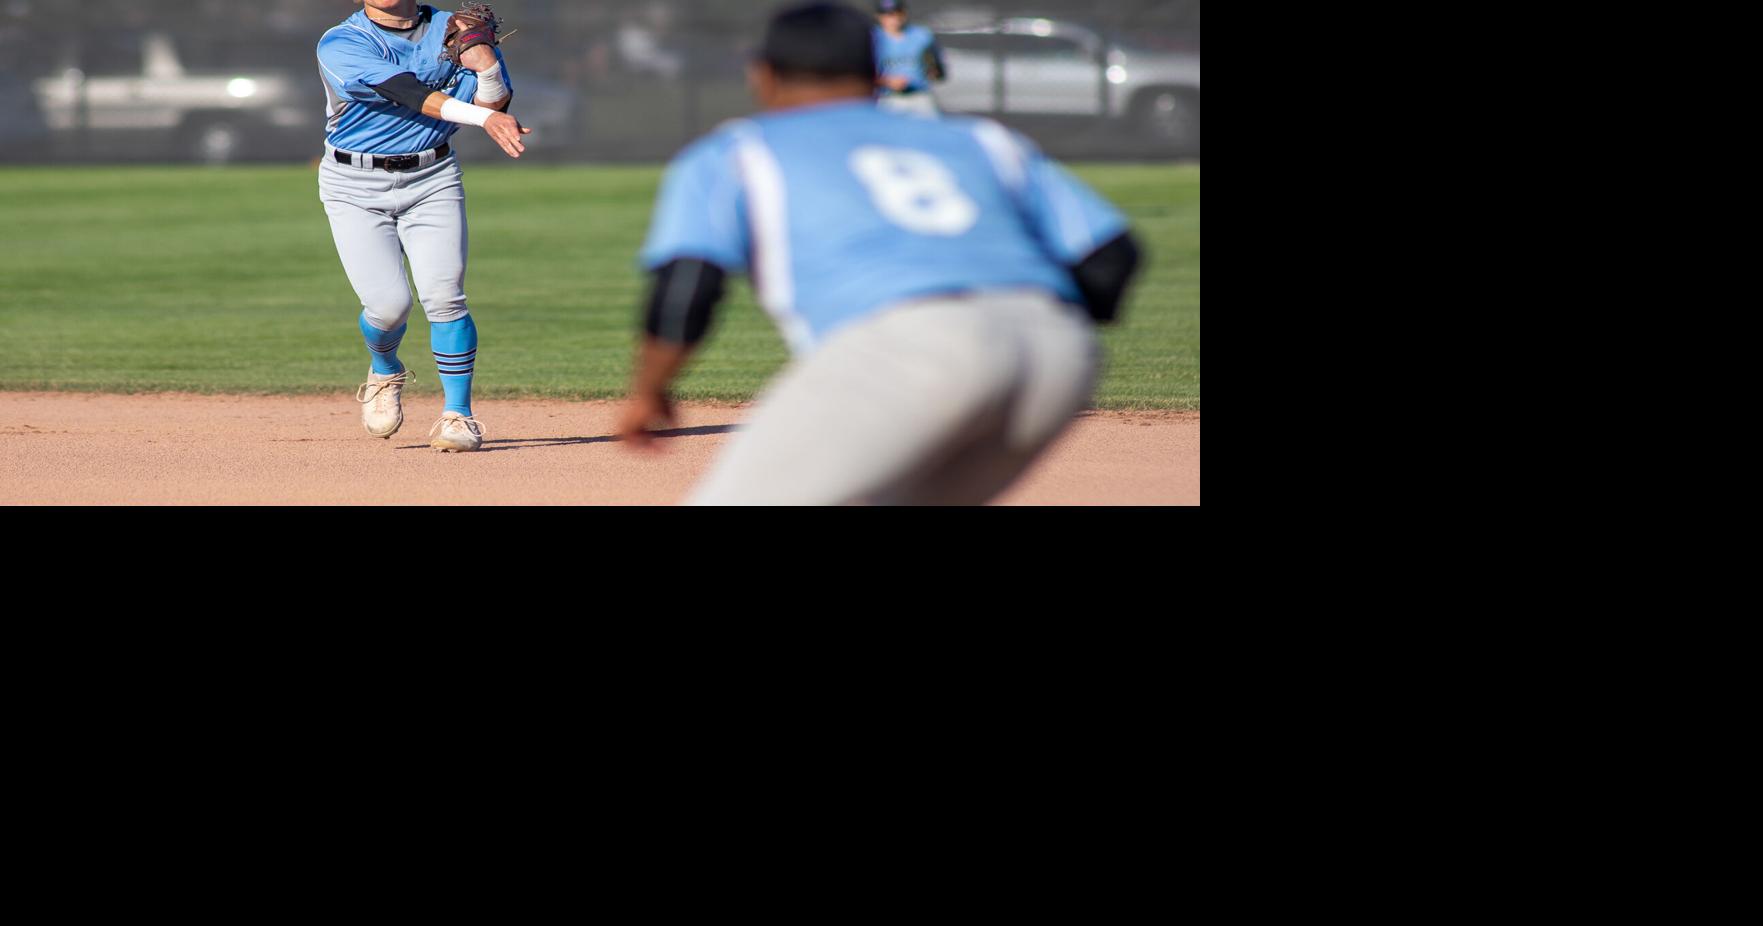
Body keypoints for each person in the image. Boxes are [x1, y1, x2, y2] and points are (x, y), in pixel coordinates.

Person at [617, 2, 1142, 505]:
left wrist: (649, 391)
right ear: (876, 73)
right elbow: (1112, 255)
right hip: (1057, 356)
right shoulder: (982, 140)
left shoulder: (740, 149)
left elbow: (688, 283)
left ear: (763, 75)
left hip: (904, 348)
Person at [317, 1, 531, 452]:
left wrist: (487, 65)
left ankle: (459, 415)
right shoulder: (342, 42)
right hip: (353, 184)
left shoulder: (458, 28)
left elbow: (493, 101)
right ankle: (385, 369)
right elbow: (406, 92)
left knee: (445, 296)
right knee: (388, 306)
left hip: (432, 176)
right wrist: (486, 116)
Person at [872, 0, 945, 118]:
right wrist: (887, 81)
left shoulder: (922, 36)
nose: (893, 18)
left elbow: (938, 68)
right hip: (888, 98)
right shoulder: (872, 38)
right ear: (879, 16)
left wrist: (935, 71)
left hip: (919, 96)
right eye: (888, 14)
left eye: (897, 13)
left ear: (904, 14)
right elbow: (861, 74)